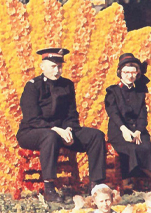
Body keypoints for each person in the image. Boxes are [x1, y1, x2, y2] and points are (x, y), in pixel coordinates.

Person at [17, 46, 107, 201]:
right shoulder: (32, 86)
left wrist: (69, 130)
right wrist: (57, 130)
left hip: (61, 131)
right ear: (42, 66)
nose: (56, 71)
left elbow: (72, 114)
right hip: (32, 132)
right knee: (49, 136)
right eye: (53, 67)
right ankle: (50, 189)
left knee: (96, 136)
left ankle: (96, 185)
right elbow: (32, 118)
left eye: (59, 67)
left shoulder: (67, 85)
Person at [105, 53, 151, 190]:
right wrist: (125, 130)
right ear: (120, 72)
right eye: (127, 72)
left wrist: (138, 131)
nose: (130, 76)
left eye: (133, 72)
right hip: (119, 131)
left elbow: (142, 115)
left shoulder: (139, 92)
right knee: (133, 149)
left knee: (148, 147)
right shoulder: (112, 91)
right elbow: (113, 113)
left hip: (138, 130)